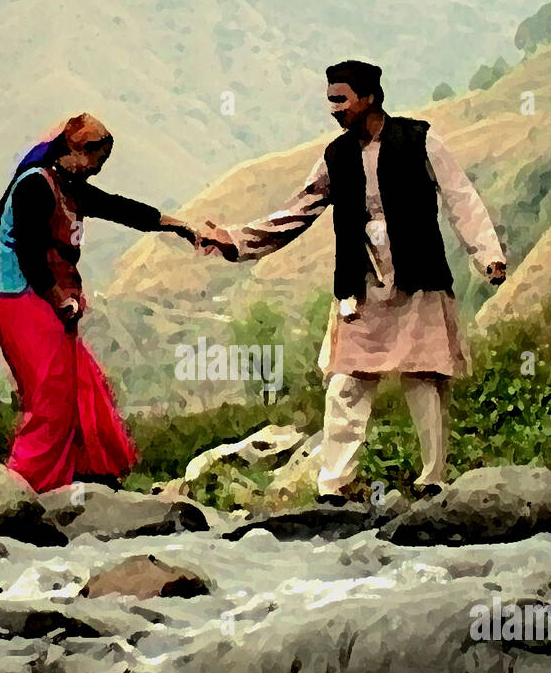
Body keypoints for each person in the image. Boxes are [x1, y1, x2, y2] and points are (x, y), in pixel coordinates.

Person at [197, 60, 508, 504]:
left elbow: (461, 198)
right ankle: (335, 485)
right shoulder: (336, 156)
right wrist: (234, 241)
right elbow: (295, 213)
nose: (334, 109)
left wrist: (488, 255)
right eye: (330, 100)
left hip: (417, 277)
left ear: (369, 98)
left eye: (340, 99)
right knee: (345, 382)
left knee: (424, 378)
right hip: (360, 284)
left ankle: (433, 479)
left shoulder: (419, 140)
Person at [0, 113, 198, 492]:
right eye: (94, 161)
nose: (95, 171)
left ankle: (85, 471)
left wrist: (178, 225)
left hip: (44, 299)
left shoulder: (70, 187)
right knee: (50, 394)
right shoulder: (35, 186)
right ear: (72, 151)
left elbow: (122, 209)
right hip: (19, 296)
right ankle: (26, 484)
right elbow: (28, 251)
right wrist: (59, 300)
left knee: (84, 385)